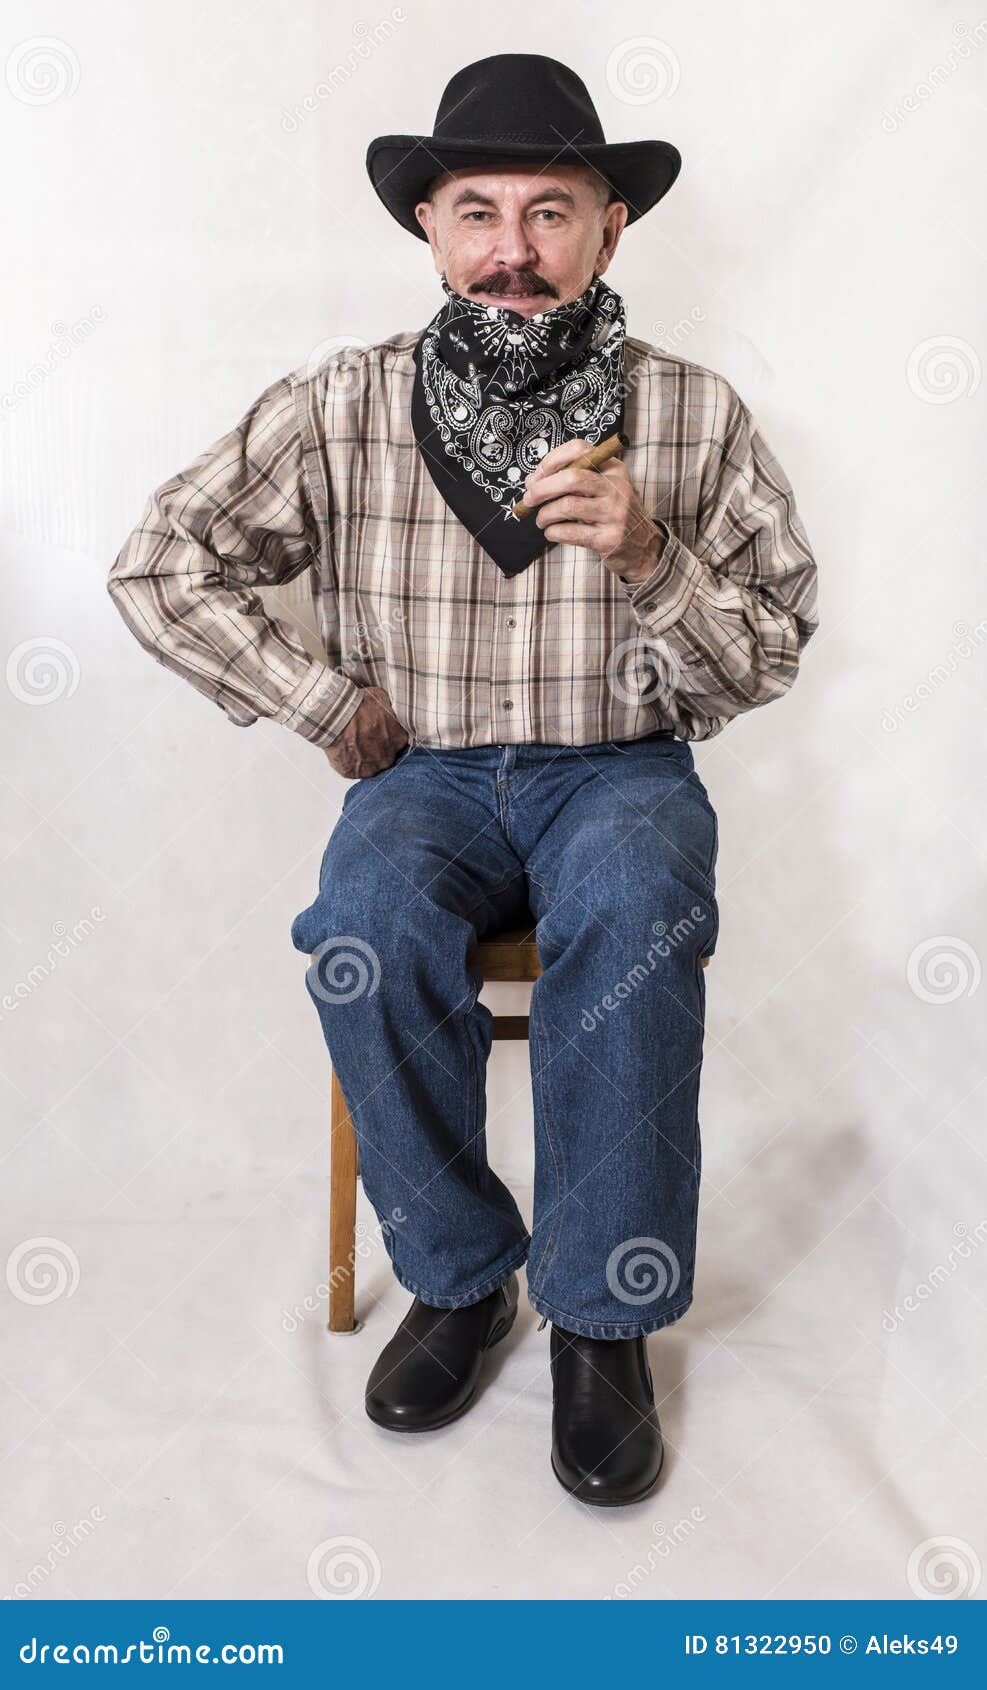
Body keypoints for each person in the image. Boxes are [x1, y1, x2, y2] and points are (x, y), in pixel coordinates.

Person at [107, 54, 819, 1505]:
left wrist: (649, 555)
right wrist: (318, 698)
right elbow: (159, 564)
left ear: (609, 230)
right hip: (422, 776)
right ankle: (460, 1274)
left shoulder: (694, 417)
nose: (512, 247)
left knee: (636, 899)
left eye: (549, 210)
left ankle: (603, 1316)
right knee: (363, 930)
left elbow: (768, 655)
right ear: (428, 229)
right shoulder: (341, 406)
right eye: (478, 209)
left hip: (615, 770)